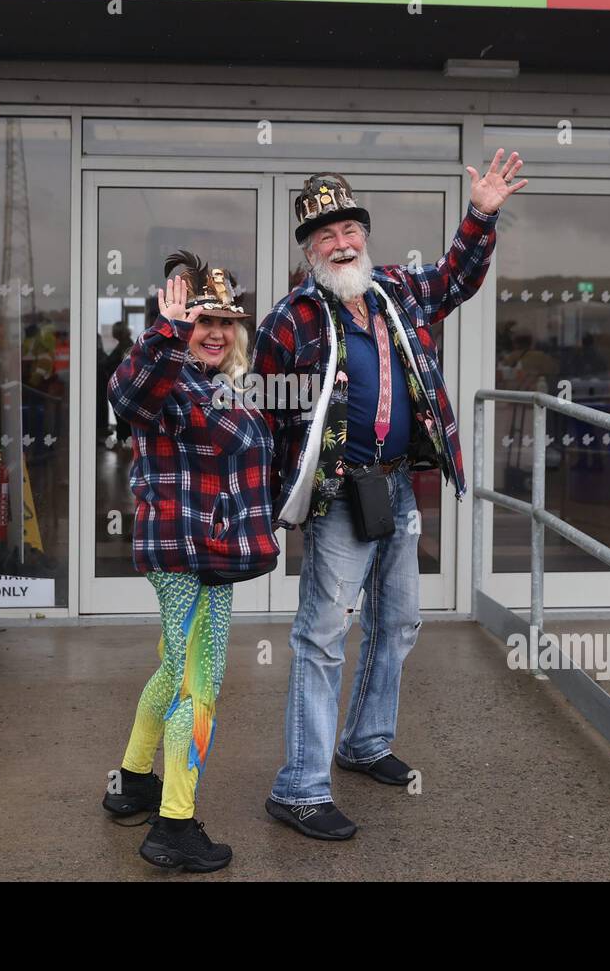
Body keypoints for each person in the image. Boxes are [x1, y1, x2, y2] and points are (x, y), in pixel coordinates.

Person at [252, 153, 525, 840]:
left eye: (350, 229)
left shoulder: (398, 292)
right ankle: (300, 786)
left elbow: (457, 275)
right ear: (310, 249)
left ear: (363, 237)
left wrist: (482, 212)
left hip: (399, 483)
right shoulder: (291, 320)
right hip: (339, 493)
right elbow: (262, 415)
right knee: (322, 637)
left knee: (399, 622)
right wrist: (270, 501)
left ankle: (364, 741)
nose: (342, 243)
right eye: (327, 235)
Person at [102, 252, 278, 872]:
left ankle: (131, 783)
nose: (215, 331)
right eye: (204, 319)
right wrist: (168, 330)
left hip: (199, 554)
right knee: (196, 688)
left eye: (225, 321)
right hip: (190, 557)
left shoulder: (213, 385)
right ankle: (174, 827)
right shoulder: (168, 379)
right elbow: (125, 391)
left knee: (172, 670)